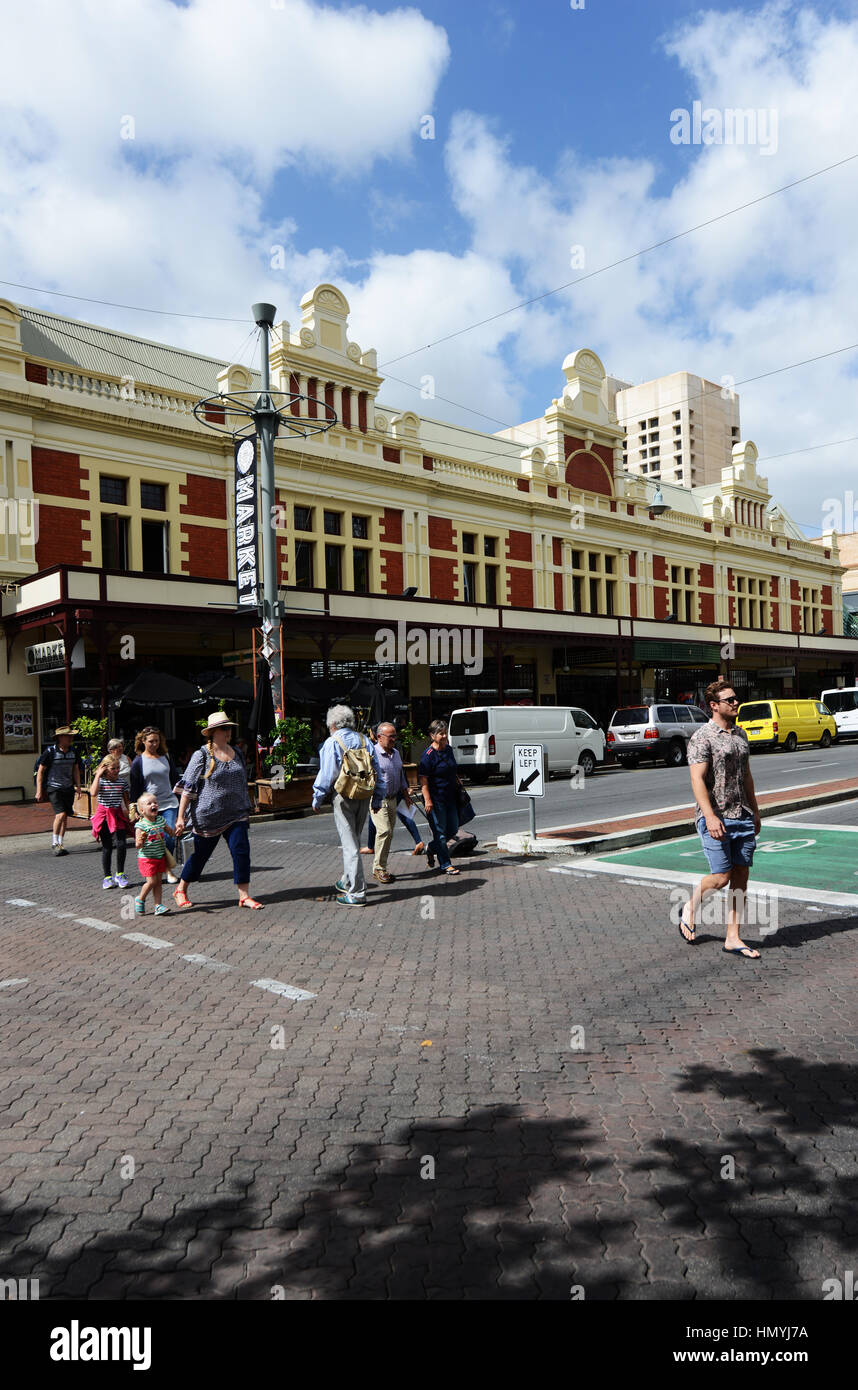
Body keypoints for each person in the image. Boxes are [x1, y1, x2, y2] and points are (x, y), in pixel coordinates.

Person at [678, 677, 762, 960]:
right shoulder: (702, 737)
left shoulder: (741, 734)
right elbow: (696, 779)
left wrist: (756, 809)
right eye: (730, 700)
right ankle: (689, 907)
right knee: (721, 877)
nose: (736, 702)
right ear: (714, 705)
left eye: (736, 698)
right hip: (716, 817)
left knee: (741, 878)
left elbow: (747, 776)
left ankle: (733, 937)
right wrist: (711, 817)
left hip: (742, 816)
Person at [172, 712, 262, 910]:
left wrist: (249, 803)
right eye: (224, 728)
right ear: (213, 732)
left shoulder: (237, 752)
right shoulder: (201, 755)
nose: (228, 731)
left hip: (236, 813)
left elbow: (240, 782)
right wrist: (180, 817)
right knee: (200, 856)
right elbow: (188, 789)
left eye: (229, 727)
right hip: (208, 816)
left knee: (241, 851)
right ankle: (181, 889)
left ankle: (244, 895)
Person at [312, 705, 381, 906]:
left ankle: (357, 892)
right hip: (364, 794)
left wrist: (318, 797)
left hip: (343, 796)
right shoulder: (364, 740)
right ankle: (347, 879)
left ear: (332, 724)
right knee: (354, 840)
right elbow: (376, 771)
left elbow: (327, 774)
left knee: (350, 846)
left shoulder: (332, 742)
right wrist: (377, 797)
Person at [129, 727, 181, 884]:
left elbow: (175, 779)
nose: (154, 744)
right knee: (152, 839)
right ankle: (156, 868)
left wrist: (183, 799)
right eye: (151, 741)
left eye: (157, 741)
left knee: (169, 836)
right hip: (149, 806)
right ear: (143, 741)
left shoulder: (165, 757)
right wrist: (136, 808)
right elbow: (135, 787)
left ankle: (166, 868)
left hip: (169, 802)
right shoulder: (139, 761)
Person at [368, 722, 415, 884]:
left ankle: (381, 867)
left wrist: (406, 795)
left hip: (393, 798)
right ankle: (379, 868)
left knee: (389, 834)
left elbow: (400, 775)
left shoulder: (395, 753)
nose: (394, 739)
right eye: (391, 736)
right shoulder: (372, 753)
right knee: (384, 831)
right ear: (379, 737)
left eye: (395, 736)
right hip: (378, 799)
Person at [418, 720, 461, 876]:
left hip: (451, 797)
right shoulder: (427, 756)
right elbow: (423, 780)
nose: (444, 736)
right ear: (432, 735)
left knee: (453, 829)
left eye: (445, 732)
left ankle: (431, 848)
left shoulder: (448, 750)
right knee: (440, 833)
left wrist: (456, 780)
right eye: (441, 733)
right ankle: (445, 864)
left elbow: (451, 768)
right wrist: (428, 800)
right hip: (435, 800)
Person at [35, 725, 83, 856]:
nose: (71, 738)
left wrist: (78, 785)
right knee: (60, 814)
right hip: (54, 787)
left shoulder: (73, 751)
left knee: (65, 816)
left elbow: (75, 768)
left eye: (71, 736)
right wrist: (39, 790)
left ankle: (61, 843)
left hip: (68, 787)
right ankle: (54, 843)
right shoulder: (50, 752)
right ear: (60, 738)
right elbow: (40, 771)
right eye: (68, 736)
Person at [90, 752, 133, 889]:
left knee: (121, 844)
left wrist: (132, 813)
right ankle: (107, 877)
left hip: (117, 814)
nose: (116, 771)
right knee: (107, 847)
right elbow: (93, 792)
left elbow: (127, 800)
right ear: (105, 768)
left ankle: (120, 873)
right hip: (103, 815)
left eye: (118, 768)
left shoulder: (122, 782)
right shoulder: (101, 781)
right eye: (113, 768)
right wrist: (97, 774)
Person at [134, 792, 170, 915]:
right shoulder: (141, 825)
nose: (153, 804)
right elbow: (138, 845)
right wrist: (141, 840)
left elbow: (172, 832)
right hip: (147, 858)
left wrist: (179, 828)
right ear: (142, 811)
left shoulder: (161, 820)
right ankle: (140, 898)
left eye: (155, 802)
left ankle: (158, 905)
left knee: (159, 882)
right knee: (151, 882)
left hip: (160, 856)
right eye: (149, 803)